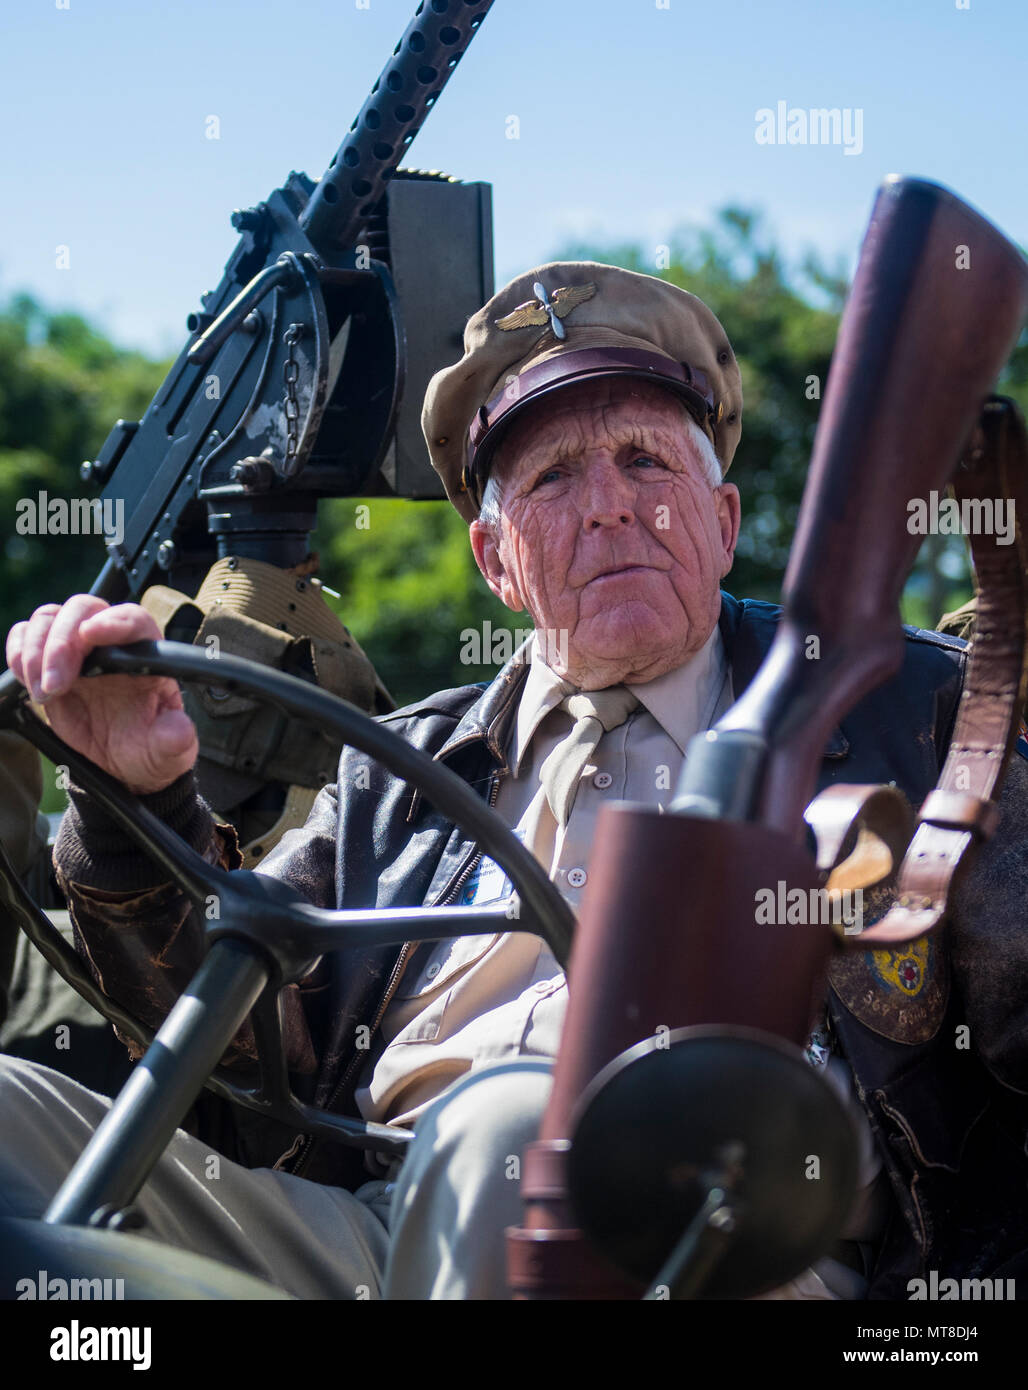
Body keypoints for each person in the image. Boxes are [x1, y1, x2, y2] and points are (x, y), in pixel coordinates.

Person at [3, 261, 1028, 1301]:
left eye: (643, 460)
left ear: (721, 521)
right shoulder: (398, 770)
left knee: (500, 1124)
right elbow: (231, 1086)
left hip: (732, 1247)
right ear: (495, 562)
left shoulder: (909, 711)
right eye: (551, 479)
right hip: (374, 1224)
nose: (609, 510)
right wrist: (131, 806)